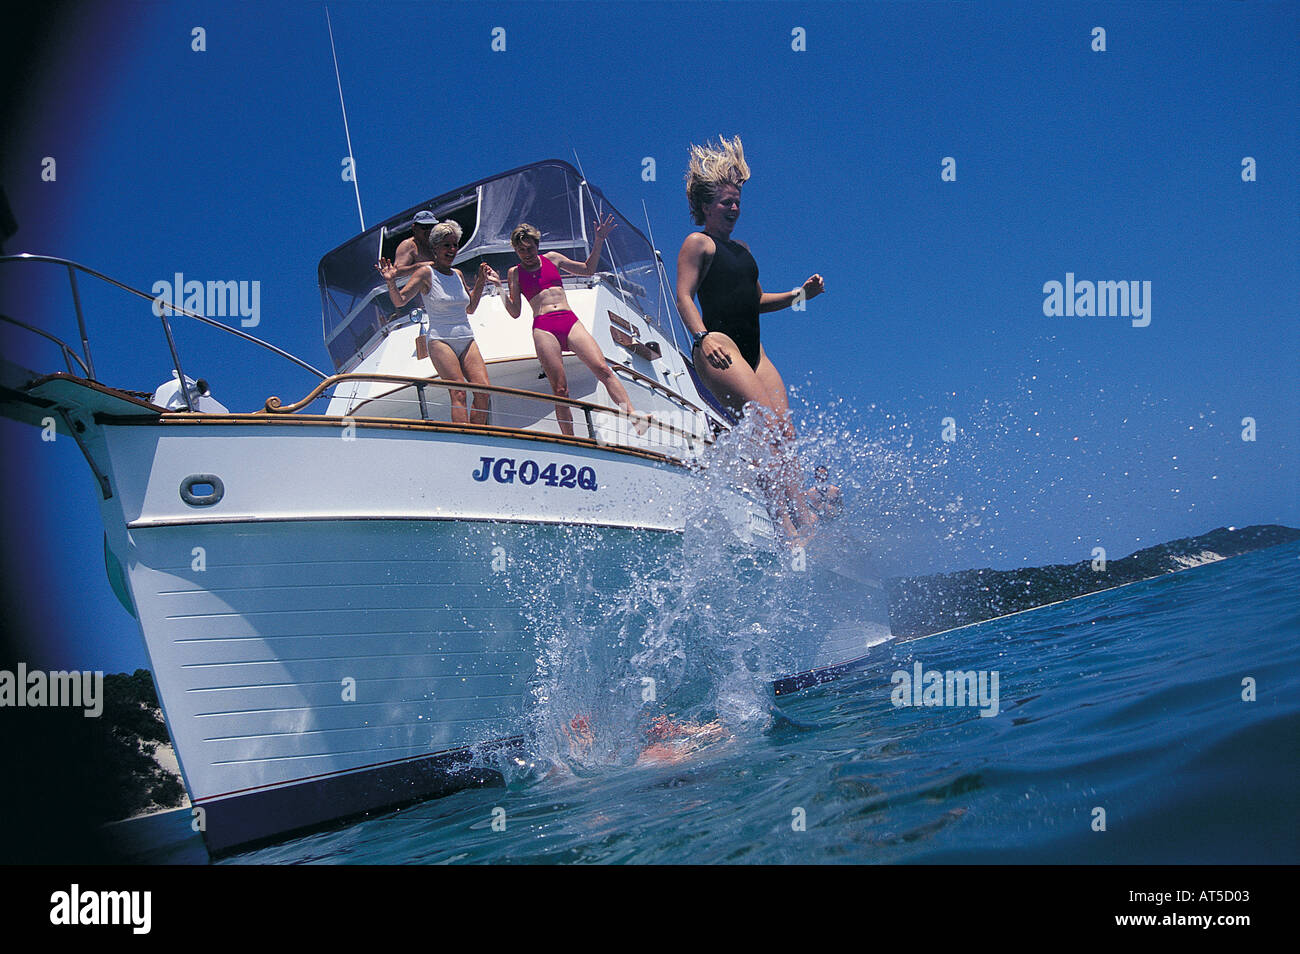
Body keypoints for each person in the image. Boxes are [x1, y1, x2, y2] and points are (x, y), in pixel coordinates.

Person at [674, 135, 825, 533]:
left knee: (785, 433)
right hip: (718, 346)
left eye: (738, 202)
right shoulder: (698, 243)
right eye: (726, 202)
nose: (735, 208)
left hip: (754, 351)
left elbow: (756, 301)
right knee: (764, 430)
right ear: (706, 206)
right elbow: (683, 296)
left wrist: (799, 295)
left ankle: (804, 517)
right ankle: (786, 529)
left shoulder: (742, 249)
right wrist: (701, 337)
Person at [486, 220, 642, 437]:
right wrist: (498, 286)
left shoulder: (553, 258)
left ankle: (634, 416)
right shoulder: (515, 272)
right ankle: (570, 439)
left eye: (529, 248)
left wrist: (598, 241)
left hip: (569, 320)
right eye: (521, 250)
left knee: (603, 369)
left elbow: (588, 270)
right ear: (515, 250)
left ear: (536, 245)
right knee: (560, 390)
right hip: (543, 326)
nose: (526, 253)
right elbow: (514, 311)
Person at [376, 220, 494, 425]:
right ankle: (462, 439)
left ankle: (477, 436)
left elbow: (470, 308)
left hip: (466, 337)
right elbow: (400, 300)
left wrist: (481, 281)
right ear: (435, 248)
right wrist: (390, 281)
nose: (452, 249)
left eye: (455, 244)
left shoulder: (457, 274)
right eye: (447, 245)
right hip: (441, 339)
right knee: (459, 393)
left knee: (484, 391)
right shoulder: (425, 273)